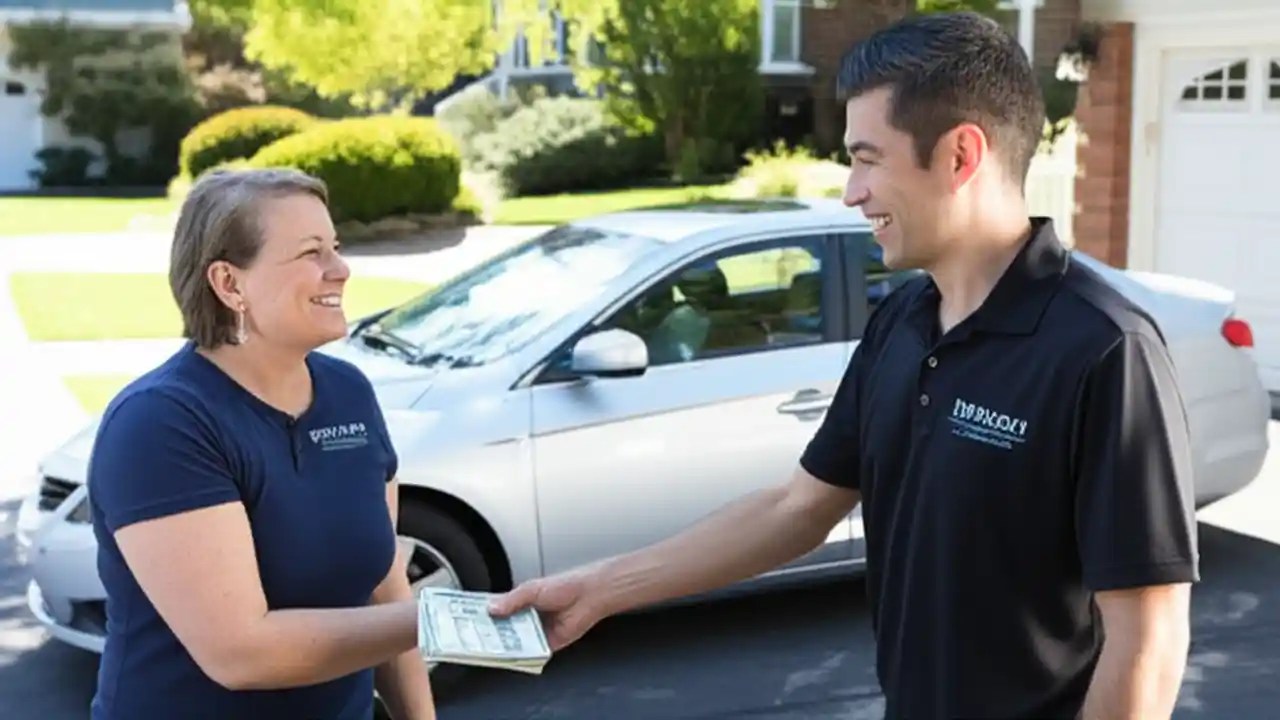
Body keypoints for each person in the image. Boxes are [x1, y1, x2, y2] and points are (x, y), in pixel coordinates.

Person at [490, 12, 1198, 720]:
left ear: (960, 155)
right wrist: (599, 590)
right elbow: (795, 510)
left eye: (868, 159)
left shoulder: (1105, 350)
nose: (851, 193)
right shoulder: (901, 322)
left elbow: (1147, 642)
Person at [87, 168, 434, 720]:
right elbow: (242, 654)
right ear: (229, 284)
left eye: (336, 248)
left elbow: (385, 590)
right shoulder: (160, 423)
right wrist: (457, 623)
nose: (340, 270)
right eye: (310, 253)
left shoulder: (349, 394)